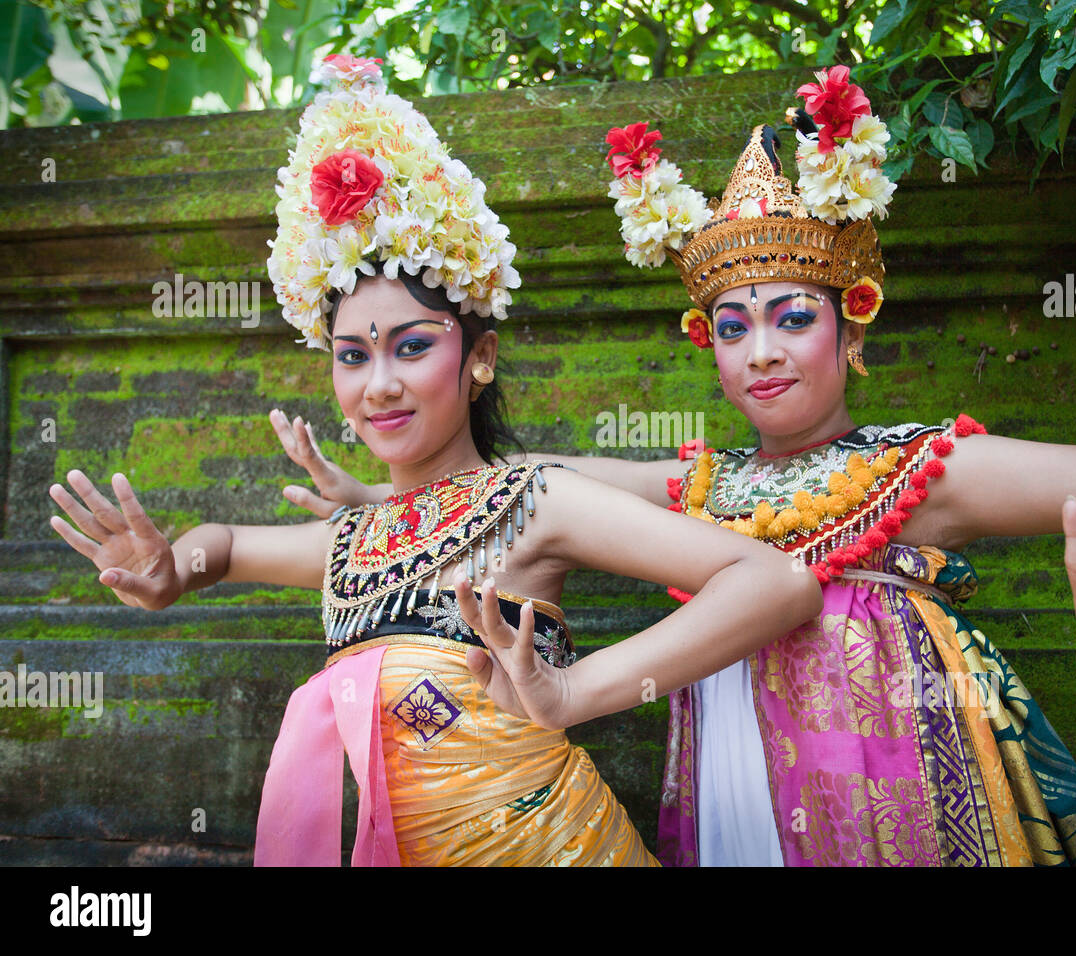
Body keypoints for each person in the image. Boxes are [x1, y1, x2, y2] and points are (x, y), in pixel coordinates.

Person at [269, 67, 1076, 867]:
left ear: (852, 328)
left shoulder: (921, 468)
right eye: (736, 326)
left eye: (795, 319)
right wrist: (383, 500)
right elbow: (503, 484)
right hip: (733, 800)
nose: (763, 351)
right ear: (706, 341)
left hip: (908, 795)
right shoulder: (694, 488)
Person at [44, 55, 823, 868]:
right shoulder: (354, 544)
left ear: (478, 357)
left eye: (411, 348)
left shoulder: (532, 500)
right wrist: (174, 570)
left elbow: (775, 582)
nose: (379, 385)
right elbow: (229, 546)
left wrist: (571, 694)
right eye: (352, 356)